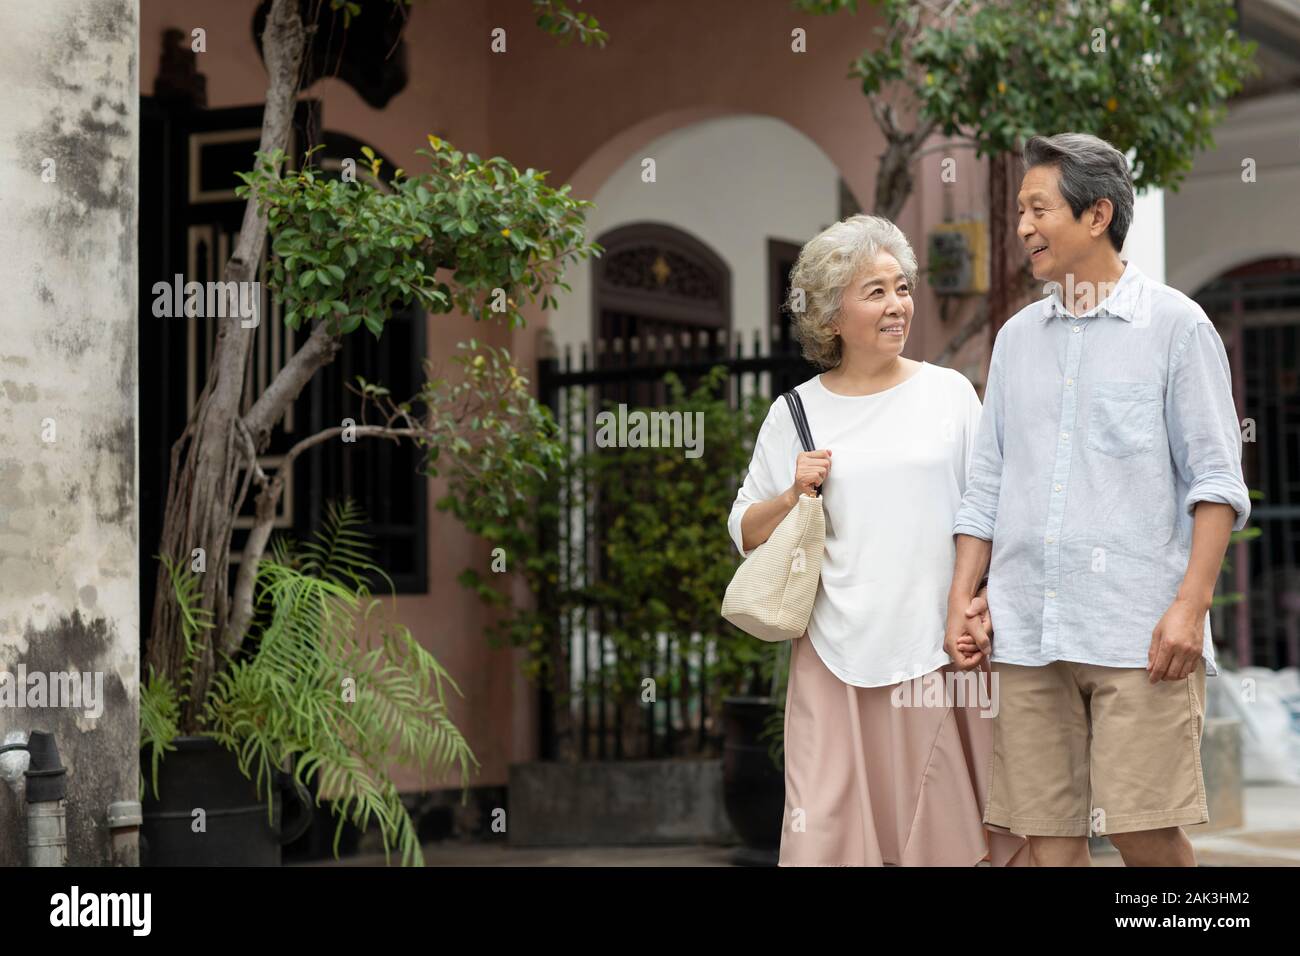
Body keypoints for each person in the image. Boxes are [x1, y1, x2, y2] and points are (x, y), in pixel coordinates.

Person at [948, 132, 1250, 866]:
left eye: (1037, 209)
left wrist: (1190, 606)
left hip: (1137, 635)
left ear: (1096, 216)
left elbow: (1216, 482)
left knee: (1143, 829)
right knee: (1047, 842)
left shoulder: (1177, 328)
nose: (1022, 227)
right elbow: (986, 480)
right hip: (1029, 632)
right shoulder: (1017, 340)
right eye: (1020, 210)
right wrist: (964, 595)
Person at [728, 214, 1030, 866]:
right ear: (831, 316)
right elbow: (746, 531)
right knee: (830, 841)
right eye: (875, 292)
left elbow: (992, 513)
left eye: (902, 288)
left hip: (940, 654)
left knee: (948, 839)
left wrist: (984, 602)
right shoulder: (796, 413)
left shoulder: (949, 395)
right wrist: (791, 495)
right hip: (835, 659)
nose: (898, 306)